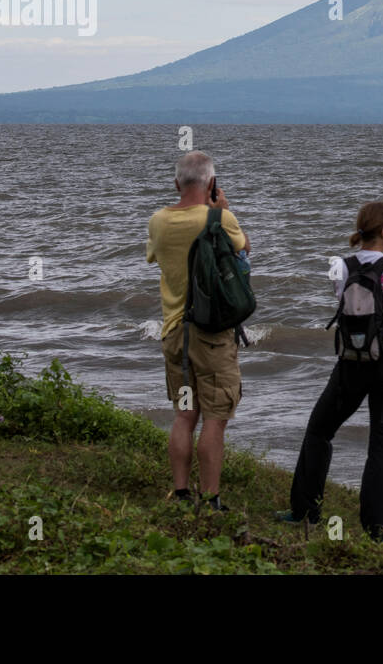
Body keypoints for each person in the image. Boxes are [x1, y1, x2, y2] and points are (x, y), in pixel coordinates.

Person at [280, 201, 383, 540]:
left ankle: (305, 512)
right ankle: (375, 530)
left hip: (351, 363)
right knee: (382, 444)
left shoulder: (341, 267)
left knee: (319, 430)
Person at [145, 150, 250, 512]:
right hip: (212, 336)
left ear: (177, 183)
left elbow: (155, 258)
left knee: (184, 414)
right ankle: (211, 498)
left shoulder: (158, 221)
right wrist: (221, 209)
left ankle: (181, 493)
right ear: (211, 183)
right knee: (215, 419)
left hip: (175, 332)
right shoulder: (221, 218)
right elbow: (245, 251)